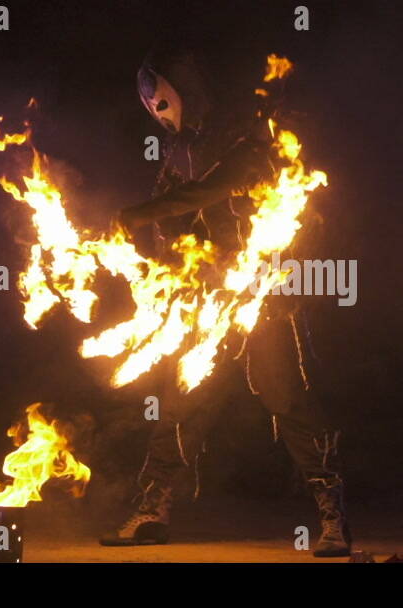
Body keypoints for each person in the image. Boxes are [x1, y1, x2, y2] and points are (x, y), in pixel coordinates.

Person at [98, 42, 352, 557]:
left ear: (185, 90)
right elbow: (172, 216)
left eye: (162, 98)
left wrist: (137, 214)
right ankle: (151, 511)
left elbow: (213, 190)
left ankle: (332, 518)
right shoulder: (177, 150)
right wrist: (151, 259)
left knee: (286, 399)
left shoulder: (245, 135)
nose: (156, 109)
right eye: (150, 103)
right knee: (179, 404)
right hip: (206, 295)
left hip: (263, 295)